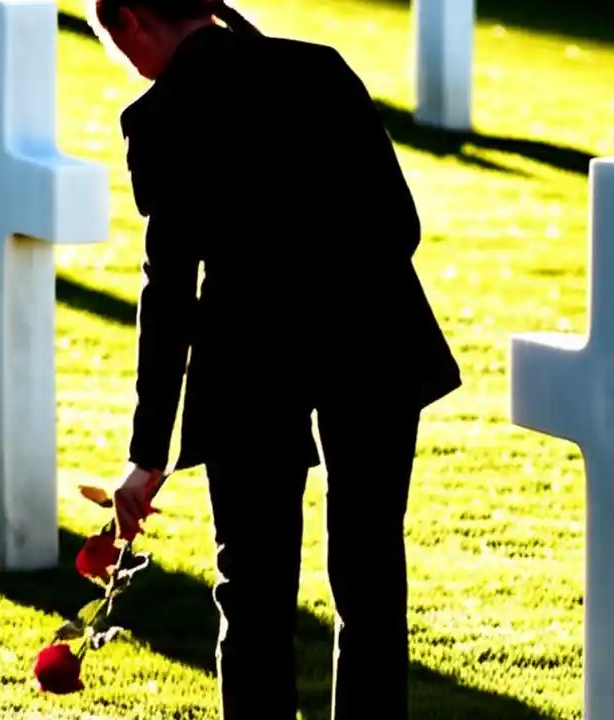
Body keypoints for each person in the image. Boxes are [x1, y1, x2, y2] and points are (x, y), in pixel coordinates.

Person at [91, 1, 461, 717]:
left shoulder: (161, 118)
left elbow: (168, 294)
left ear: (130, 18)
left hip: (250, 364)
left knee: (253, 594)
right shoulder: (318, 67)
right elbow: (401, 227)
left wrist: (147, 452)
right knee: (371, 579)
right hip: (374, 343)